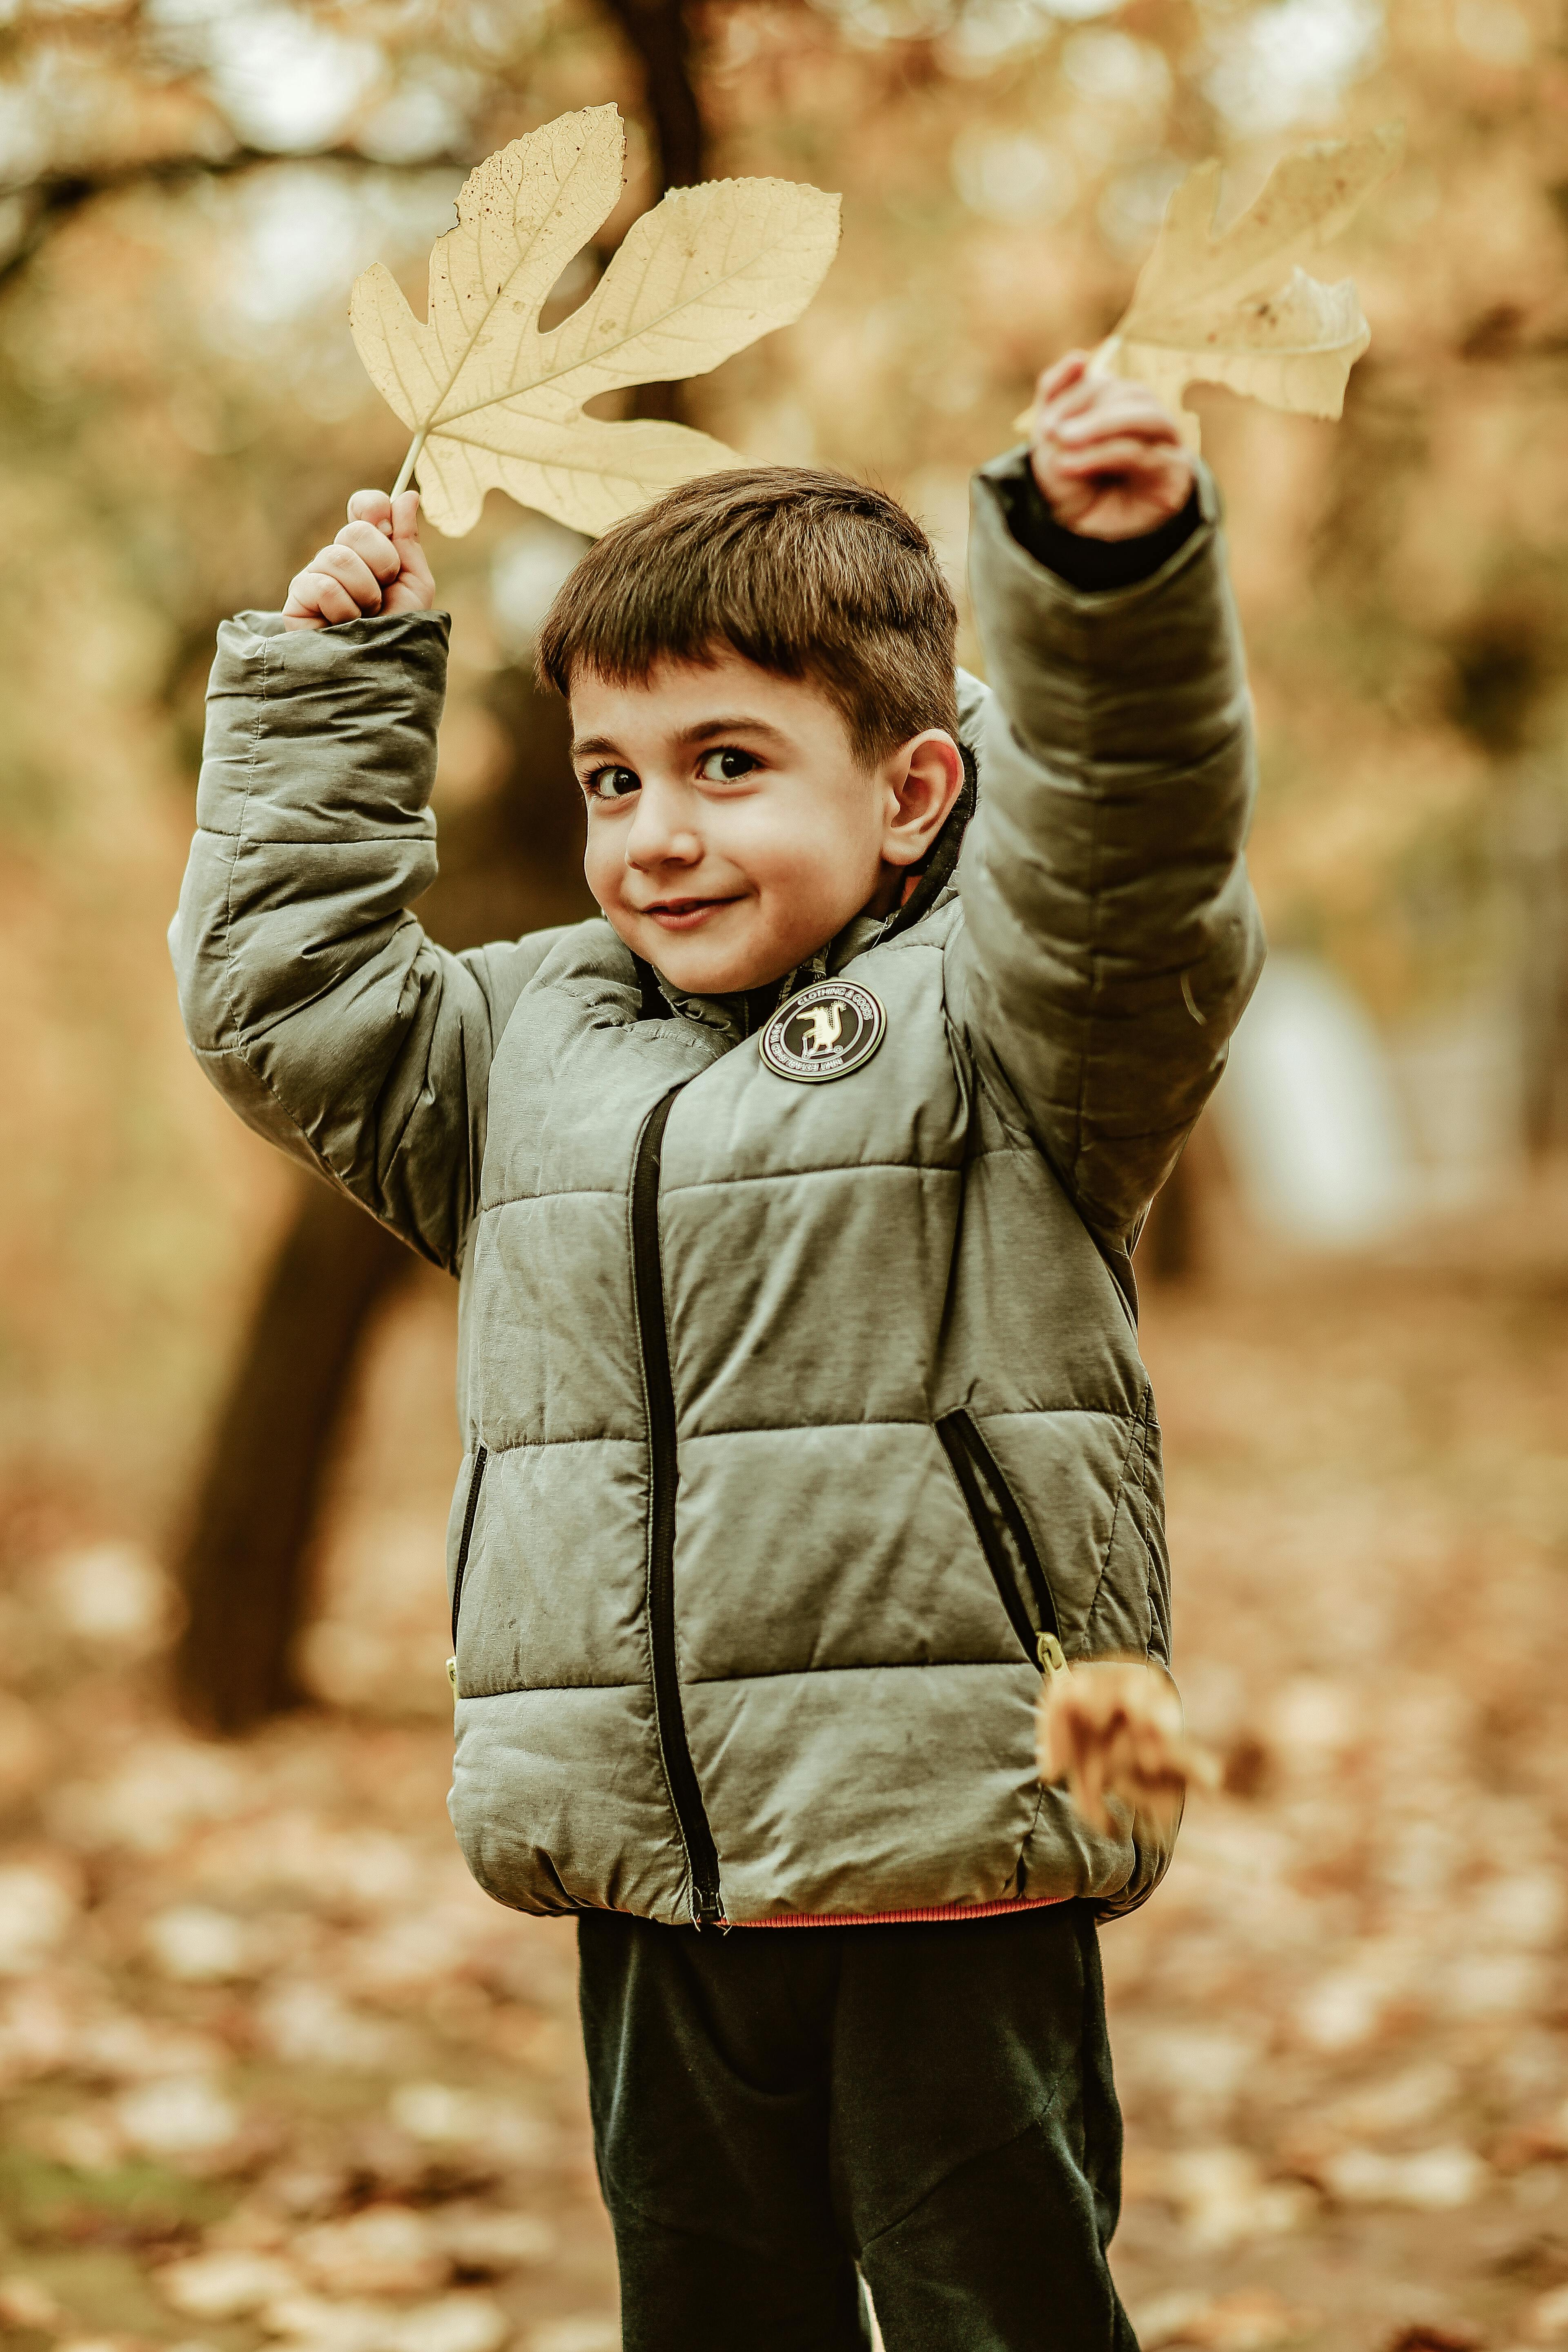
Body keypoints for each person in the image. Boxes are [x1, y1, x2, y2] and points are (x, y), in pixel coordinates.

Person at [171, 349, 1262, 2351]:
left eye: (729, 765)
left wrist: (1110, 593)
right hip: (652, 1853)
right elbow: (286, 997)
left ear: (912, 787)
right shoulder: (525, 1051)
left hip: (961, 1830)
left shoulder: (1022, 1031)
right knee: (708, 2305)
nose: (656, 835)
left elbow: (1131, 865)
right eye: (614, 776)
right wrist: (334, 697)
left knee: (993, 2305)